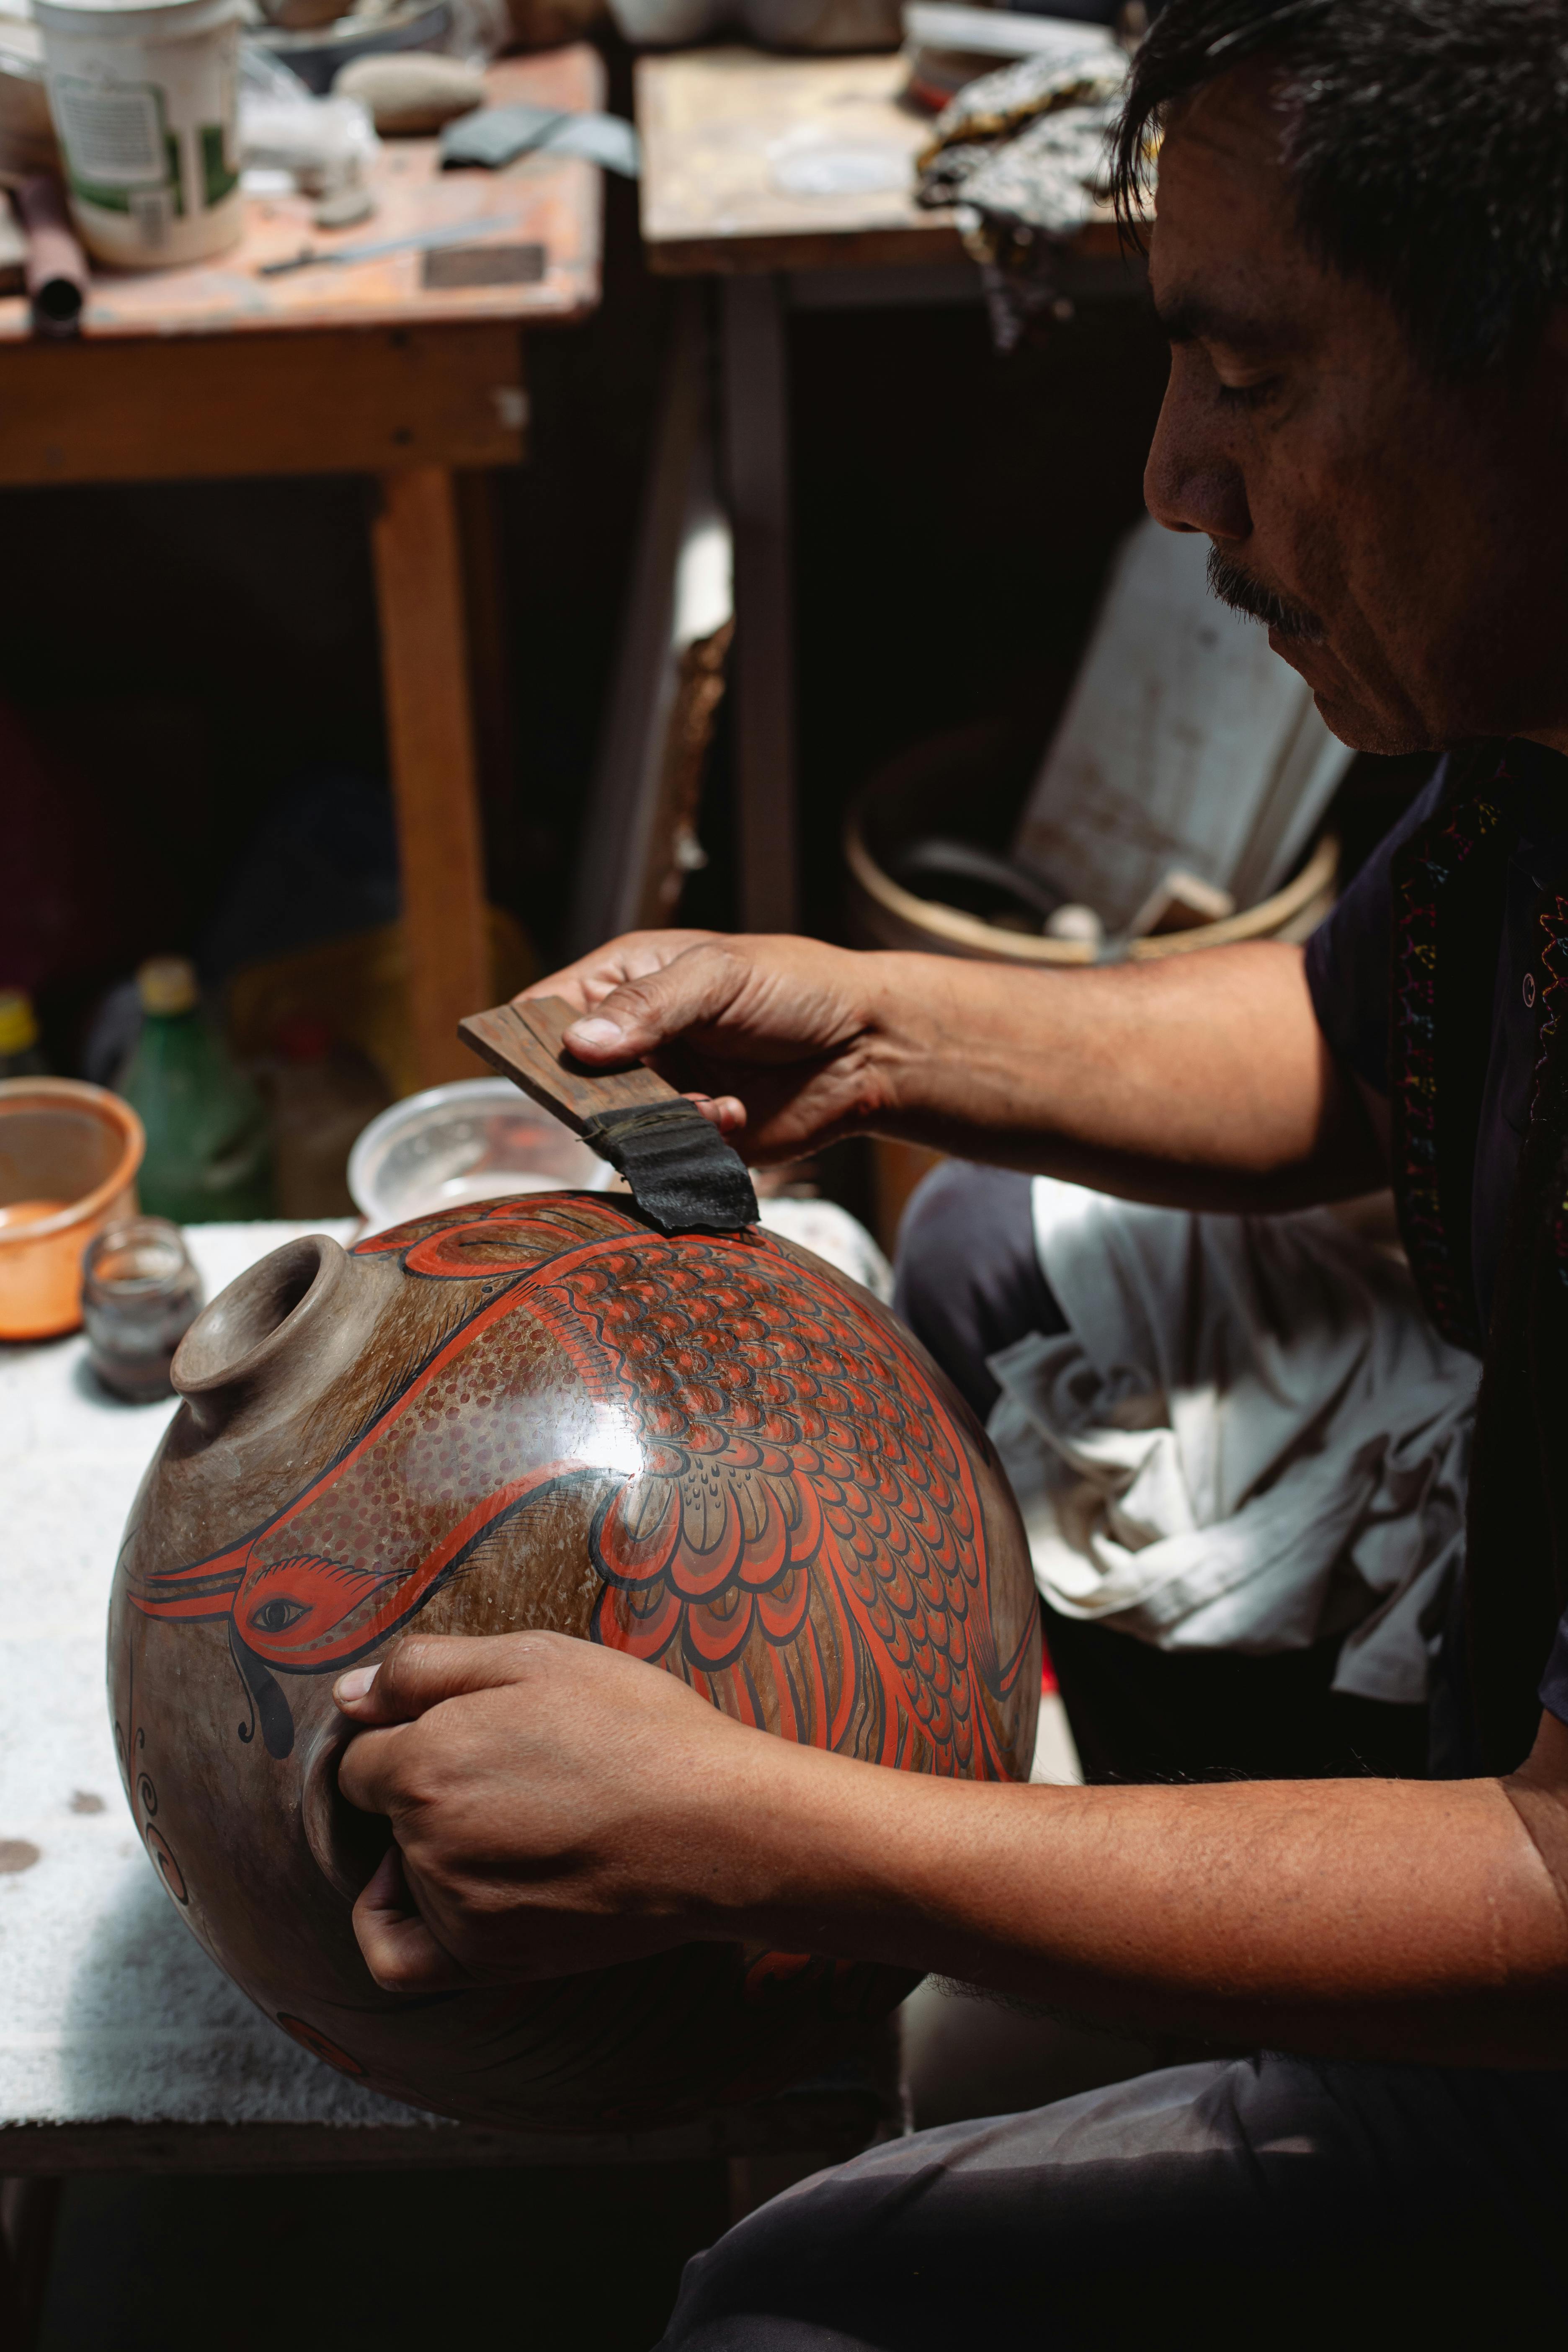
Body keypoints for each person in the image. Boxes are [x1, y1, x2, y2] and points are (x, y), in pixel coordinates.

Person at [332, 1, 1568, 2336]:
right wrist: (870, 1022)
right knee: (991, 1241)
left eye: (1253, 375)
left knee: (787, 2312)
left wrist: (755, 1837)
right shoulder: (1519, 722)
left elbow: (1555, 1876)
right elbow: (1345, 1044)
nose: (1171, 477)